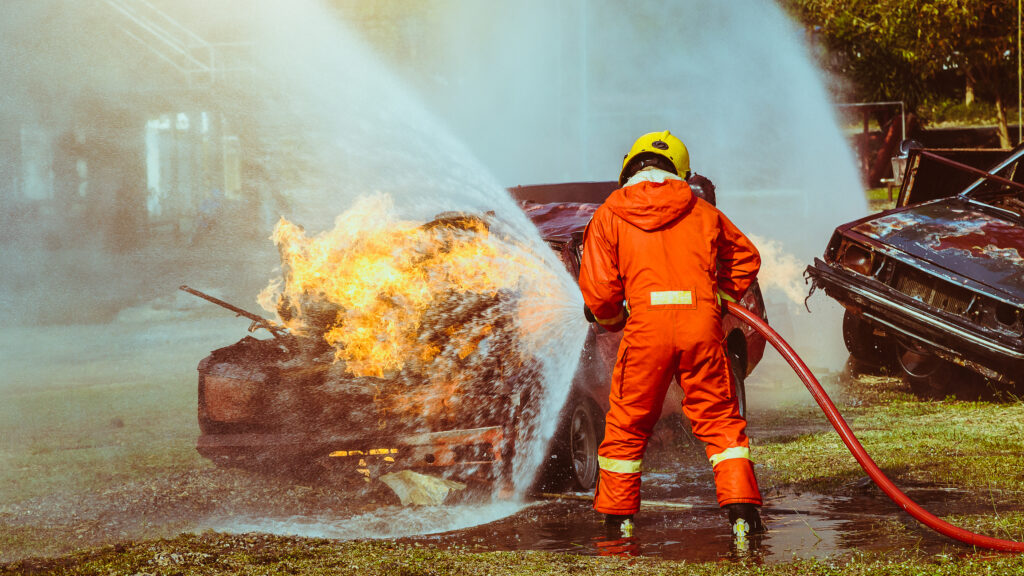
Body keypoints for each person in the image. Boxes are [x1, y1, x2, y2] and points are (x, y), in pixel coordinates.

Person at [578, 130, 764, 538]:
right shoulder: (702, 211)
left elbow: (600, 292)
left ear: (629, 166)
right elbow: (747, 258)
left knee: (627, 424)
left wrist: (612, 319)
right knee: (720, 421)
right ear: (680, 171)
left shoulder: (610, 213)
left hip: (645, 331)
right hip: (701, 328)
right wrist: (717, 297)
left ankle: (618, 519)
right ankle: (742, 515)